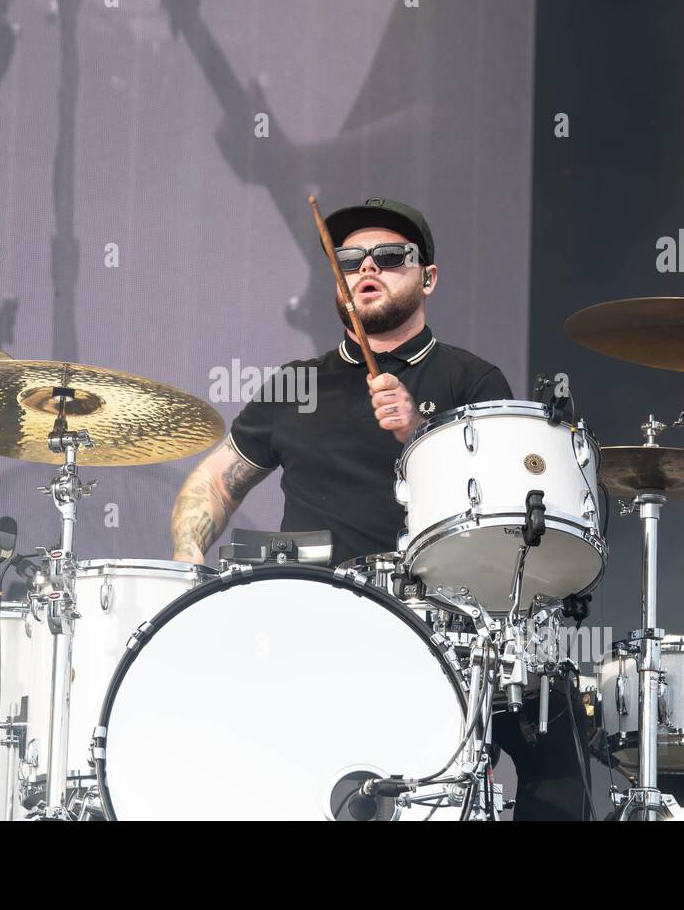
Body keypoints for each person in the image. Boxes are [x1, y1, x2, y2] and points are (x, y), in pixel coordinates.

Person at [170, 197, 593, 820]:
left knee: (560, 753)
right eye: (349, 260)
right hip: (308, 625)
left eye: (390, 256)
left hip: (442, 624)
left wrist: (418, 428)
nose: (367, 267)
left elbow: (503, 514)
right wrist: (187, 564)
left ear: (428, 277)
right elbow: (214, 482)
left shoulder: (471, 381)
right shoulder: (297, 383)